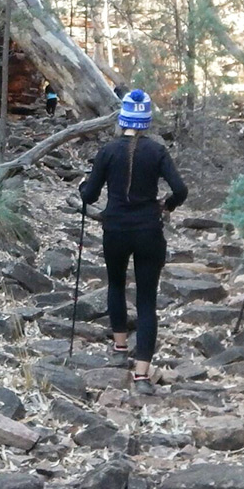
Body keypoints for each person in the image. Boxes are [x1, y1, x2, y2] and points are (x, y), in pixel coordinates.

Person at [78, 88, 186, 394]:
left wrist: (83, 186)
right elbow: (181, 189)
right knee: (147, 300)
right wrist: (167, 205)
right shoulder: (157, 151)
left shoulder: (109, 151)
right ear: (147, 121)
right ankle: (141, 375)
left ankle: (120, 345)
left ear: (122, 119)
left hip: (116, 230)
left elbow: (89, 196)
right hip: (149, 231)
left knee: (115, 284)